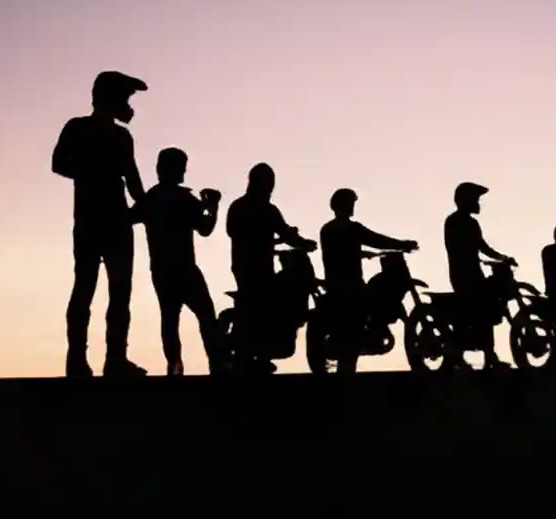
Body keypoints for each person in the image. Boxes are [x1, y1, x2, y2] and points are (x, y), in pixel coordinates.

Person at [51, 70, 149, 378]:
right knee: (86, 287)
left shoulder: (122, 136)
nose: (130, 106)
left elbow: (132, 178)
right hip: (92, 221)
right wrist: (95, 170)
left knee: (120, 291)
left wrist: (145, 208)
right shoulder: (78, 127)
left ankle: (115, 358)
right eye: (126, 98)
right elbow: (58, 164)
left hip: (117, 222)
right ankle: (77, 360)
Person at [137, 147, 223, 376]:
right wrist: (213, 208)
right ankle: (215, 362)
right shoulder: (183, 198)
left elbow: (129, 217)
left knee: (170, 317)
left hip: (162, 268)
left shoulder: (153, 198)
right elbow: (205, 229)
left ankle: (175, 364)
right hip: (184, 267)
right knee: (205, 314)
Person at [225, 163, 316, 371]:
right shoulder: (266, 210)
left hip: (242, 266)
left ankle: (256, 354)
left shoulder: (238, 206)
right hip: (256, 268)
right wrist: (304, 244)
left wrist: (273, 241)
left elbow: (235, 233)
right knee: (266, 306)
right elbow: (284, 233)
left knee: (263, 304)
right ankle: (257, 354)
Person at [319, 188, 418, 373]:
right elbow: (376, 239)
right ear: (342, 205)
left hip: (334, 285)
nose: (352, 207)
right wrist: (402, 244)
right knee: (377, 295)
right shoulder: (352, 228)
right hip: (352, 286)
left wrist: (360, 253)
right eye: (350, 203)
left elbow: (337, 253)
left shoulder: (327, 230)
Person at [443, 182, 516, 369]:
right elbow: (475, 247)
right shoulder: (457, 221)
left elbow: (482, 247)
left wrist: (501, 258)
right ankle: (478, 354)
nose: (478, 203)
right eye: (475, 199)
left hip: (473, 273)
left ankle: (488, 356)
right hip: (464, 274)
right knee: (478, 311)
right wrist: (499, 258)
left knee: (486, 311)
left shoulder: (468, 222)